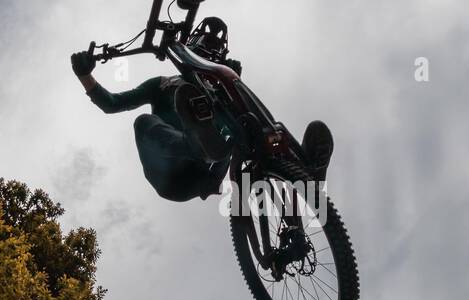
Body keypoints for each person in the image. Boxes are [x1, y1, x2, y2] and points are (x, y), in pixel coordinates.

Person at [70, 47, 334, 204]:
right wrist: (85, 75)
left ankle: (306, 168)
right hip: (172, 175)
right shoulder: (162, 85)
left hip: (211, 165)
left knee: (249, 120)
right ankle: (197, 145)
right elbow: (113, 103)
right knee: (143, 121)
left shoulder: (217, 87)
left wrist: (232, 81)